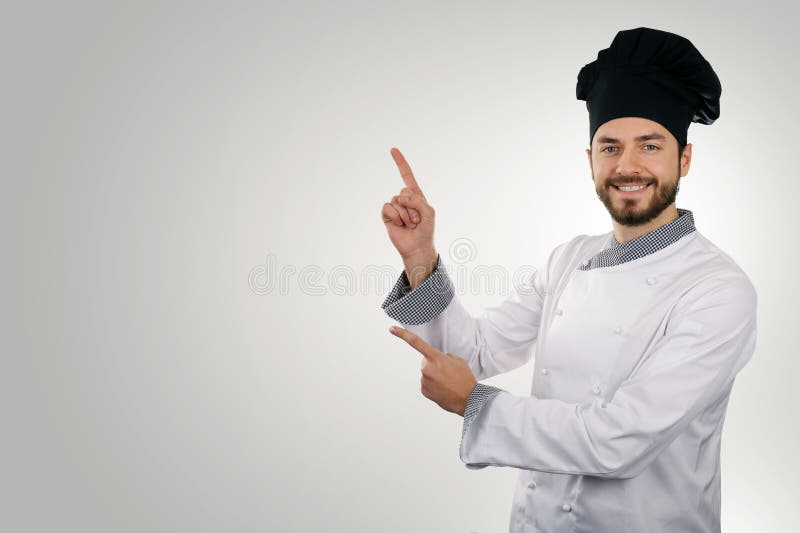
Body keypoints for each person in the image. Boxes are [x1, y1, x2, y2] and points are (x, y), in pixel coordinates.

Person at [379, 27, 757, 533]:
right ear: (590, 161)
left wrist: (474, 403)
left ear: (684, 159)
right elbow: (473, 354)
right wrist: (421, 255)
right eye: (609, 147)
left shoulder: (718, 291)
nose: (627, 165)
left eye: (650, 145)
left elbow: (619, 439)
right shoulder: (569, 259)